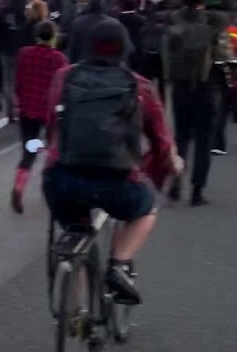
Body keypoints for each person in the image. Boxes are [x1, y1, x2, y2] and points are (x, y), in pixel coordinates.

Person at [42, 19, 180, 305]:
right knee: (146, 209)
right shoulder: (139, 85)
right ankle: (118, 264)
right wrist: (171, 165)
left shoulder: (63, 77)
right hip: (117, 182)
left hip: (63, 179)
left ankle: (75, 312)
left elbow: (52, 125)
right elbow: (161, 143)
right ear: (125, 49)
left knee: (75, 231)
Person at [163, 0, 229, 206]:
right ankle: (197, 191)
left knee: (180, 137)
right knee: (203, 140)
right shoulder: (212, 21)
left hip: (180, 85)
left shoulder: (174, 19)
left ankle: (175, 183)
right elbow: (230, 10)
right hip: (205, 85)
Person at [10, 21, 67, 214]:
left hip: (28, 108)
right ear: (53, 37)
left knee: (29, 150)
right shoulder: (59, 59)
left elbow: (18, 80)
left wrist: (18, 103)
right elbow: (62, 87)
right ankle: (48, 188)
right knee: (53, 150)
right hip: (49, 111)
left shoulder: (25, 53)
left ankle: (19, 184)